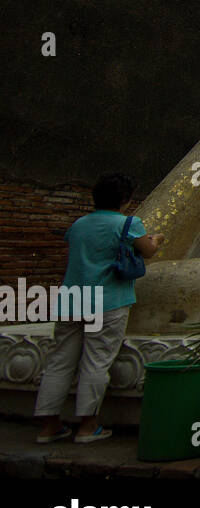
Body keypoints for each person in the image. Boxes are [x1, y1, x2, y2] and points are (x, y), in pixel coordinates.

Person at [34, 172, 161, 444]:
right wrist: (156, 240)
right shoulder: (128, 223)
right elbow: (147, 251)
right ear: (125, 199)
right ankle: (87, 426)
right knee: (96, 361)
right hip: (107, 300)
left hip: (71, 300)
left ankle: (48, 426)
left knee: (58, 363)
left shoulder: (79, 224)